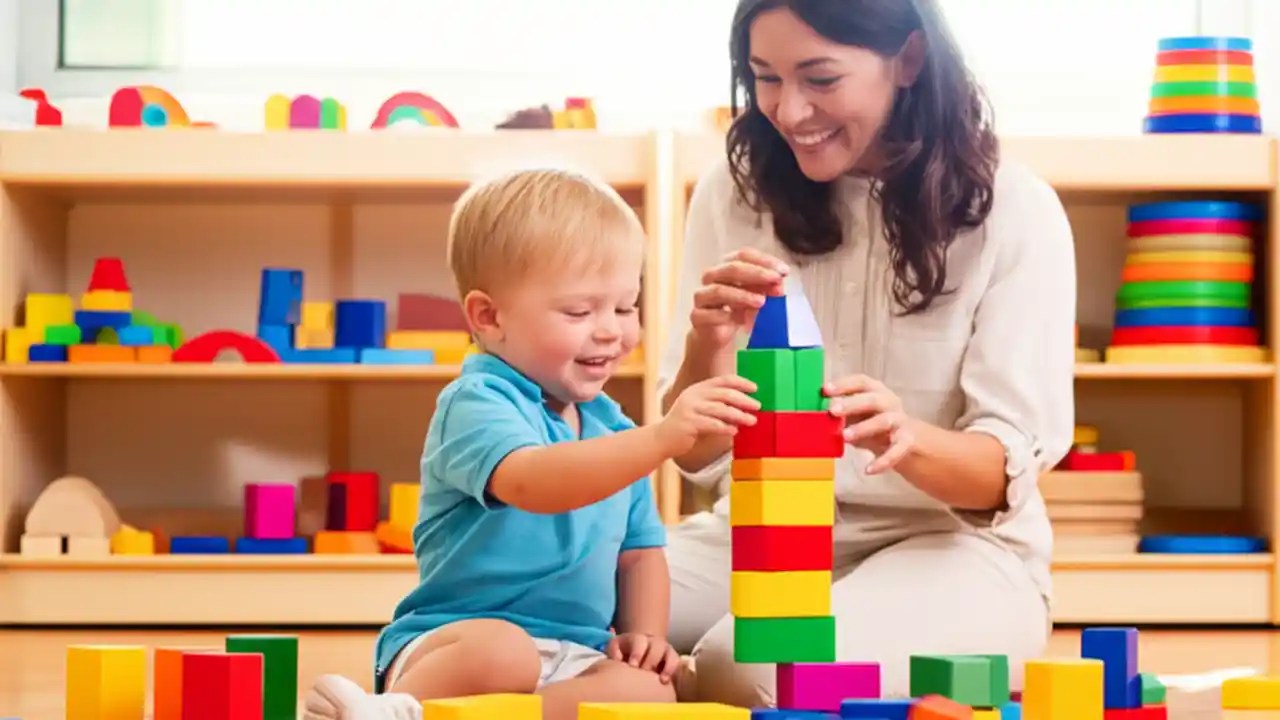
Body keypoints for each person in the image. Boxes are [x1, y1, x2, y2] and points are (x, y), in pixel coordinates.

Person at [660, 0, 1076, 707]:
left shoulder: (1014, 208)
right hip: (764, 538)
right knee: (560, 594)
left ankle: (685, 678)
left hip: (958, 552)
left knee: (752, 663)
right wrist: (708, 348)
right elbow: (694, 454)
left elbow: (1001, 476)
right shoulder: (733, 193)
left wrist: (908, 441)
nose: (789, 112)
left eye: (820, 78)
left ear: (907, 60)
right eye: (765, 77)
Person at [303, 168, 761, 720]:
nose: (611, 331)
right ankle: (394, 711)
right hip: (455, 643)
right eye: (579, 311)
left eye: (625, 307)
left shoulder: (612, 429)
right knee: (504, 655)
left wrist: (645, 635)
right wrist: (661, 437)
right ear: (489, 317)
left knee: (648, 690)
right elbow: (534, 481)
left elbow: (640, 553)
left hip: (575, 654)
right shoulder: (477, 402)